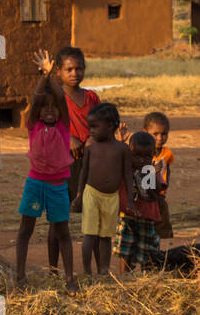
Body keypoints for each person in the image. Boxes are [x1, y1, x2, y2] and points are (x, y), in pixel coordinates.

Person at [34, 47, 98, 270]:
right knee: (58, 220)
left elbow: (102, 124)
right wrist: (67, 137)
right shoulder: (53, 98)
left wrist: (92, 138)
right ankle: (53, 269)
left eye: (79, 68)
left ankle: (97, 270)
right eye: (69, 69)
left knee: (94, 217)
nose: (74, 73)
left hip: (89, 164)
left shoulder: (91, 98)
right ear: (58, 72)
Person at [14, 76, 76, 293]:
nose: (50, 110)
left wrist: (51, 77)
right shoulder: (34, 125)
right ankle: (20, 278)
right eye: (44, 107)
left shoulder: (64, 127)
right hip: (35, 185)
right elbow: (36, 96)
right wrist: (44, 76)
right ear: (37, 111)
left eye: (54, 107)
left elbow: (61, 100)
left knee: (63, 232)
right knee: (25, 231)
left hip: (58, 187)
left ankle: (69, 279)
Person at [72, 103, 133, 276]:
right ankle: (87, 272)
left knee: (106, 237)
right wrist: (78, 195)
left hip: (111, 197)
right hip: (92, 194)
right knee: (90, 235)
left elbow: (127, 175)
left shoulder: (122, 149)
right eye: (90, 126)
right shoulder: (91, 148)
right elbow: (84, 172)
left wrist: (129, 200)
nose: (90, 130)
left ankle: (104, 271)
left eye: (94, 126)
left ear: (111, 125)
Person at [114, 131, 162, 274]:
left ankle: (147, 277)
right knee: (125, 248)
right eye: (137, 155)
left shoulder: (151, 169)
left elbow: (157, 191)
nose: (142, 160)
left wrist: (153, 174)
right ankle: (124, 277)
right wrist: (121, 142)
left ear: (153, 154)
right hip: (127, 214)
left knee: (148, 249)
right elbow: (116, 158)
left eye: (147, 156)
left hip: (146, 216)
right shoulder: (126, 167)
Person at [144, 112, 173, 240]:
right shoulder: (141, 153)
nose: (160, 138)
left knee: (163, 230)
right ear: (145, 132)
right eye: (155, 134)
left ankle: (165, 257)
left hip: (160, 198)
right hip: (143, 199)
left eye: (164, 134)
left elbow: (168, 173)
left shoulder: (167, 154)